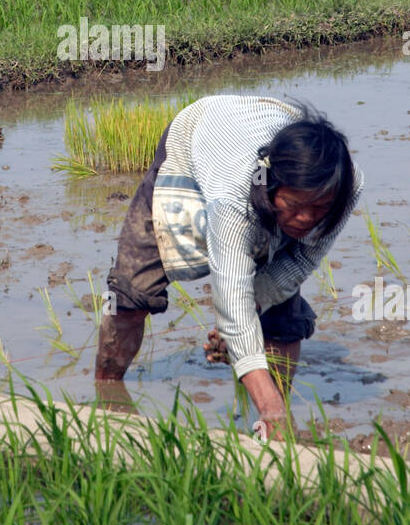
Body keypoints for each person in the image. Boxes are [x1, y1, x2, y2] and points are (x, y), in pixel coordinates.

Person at [96, 94, 363, 439]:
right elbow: (232, 302)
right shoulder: (234, 199)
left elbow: (300, 259)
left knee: (283, 311)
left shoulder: (345, 187)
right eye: (295, 205)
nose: (307, 219)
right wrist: (237, 320)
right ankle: (106, 394)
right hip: (192, 145)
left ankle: (274, 425)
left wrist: (256, 302)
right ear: (270, 186)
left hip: (262, 127)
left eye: (319, 208)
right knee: (131, 292)